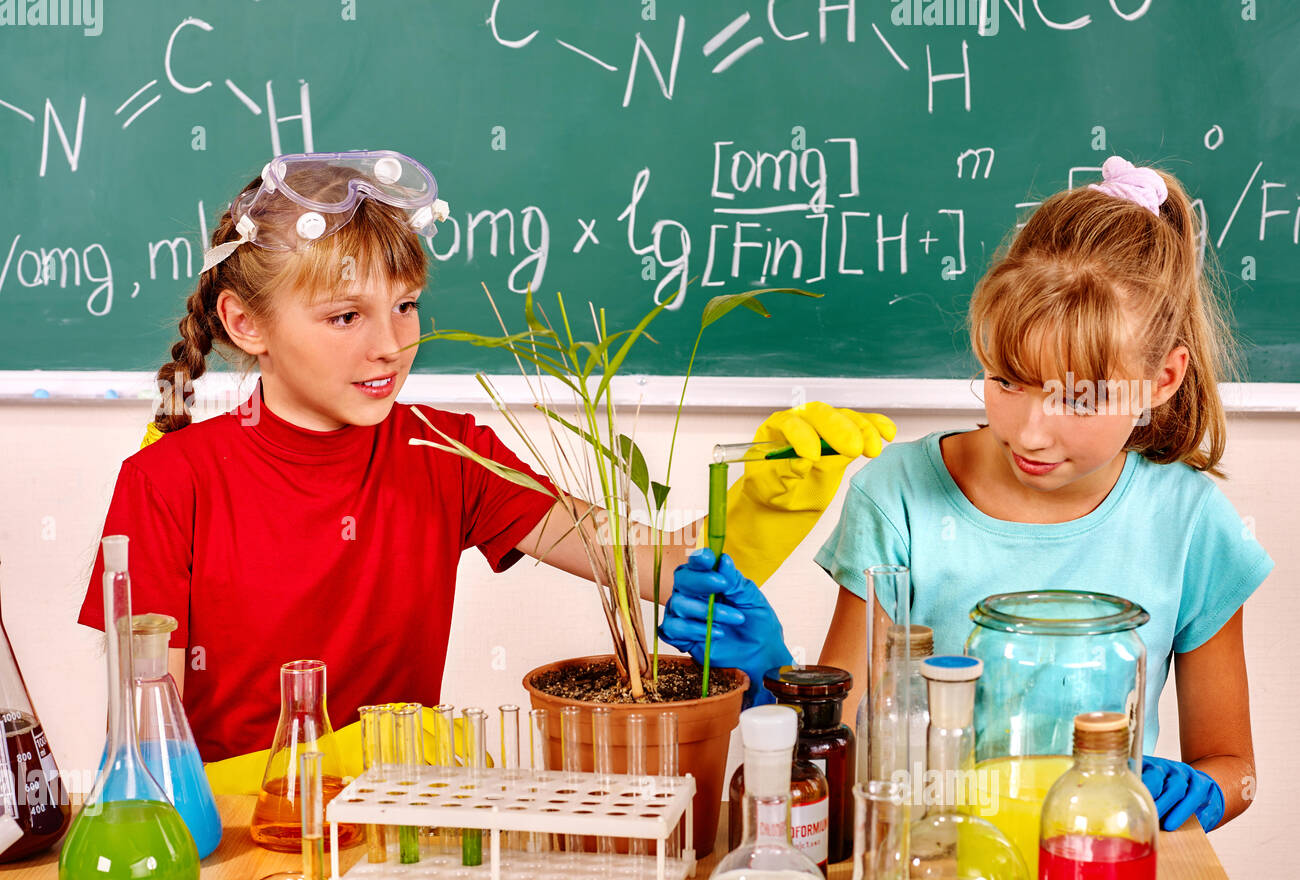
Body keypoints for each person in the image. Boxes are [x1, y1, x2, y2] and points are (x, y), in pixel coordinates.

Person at [77, 150, 891, 783]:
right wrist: (292, 783)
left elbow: (646, 562)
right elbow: (145, 747)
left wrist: (767, 499)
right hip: (239, 838)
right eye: (345, 316)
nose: (390, 343)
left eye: (406, 305)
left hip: (398, 818)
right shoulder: (166, 483)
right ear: (244, 322)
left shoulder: (446, 450)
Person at [662, 157, 1274, 832]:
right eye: (1007, 381)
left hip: (1094, 872)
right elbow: (844, 755)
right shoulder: (897, 497)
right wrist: (775, 680)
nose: (1032, 432)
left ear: (1162, 379)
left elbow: (1233, 766)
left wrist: (1205, 789)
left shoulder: (1191, 525)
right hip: (934, 874)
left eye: (1078, 397)